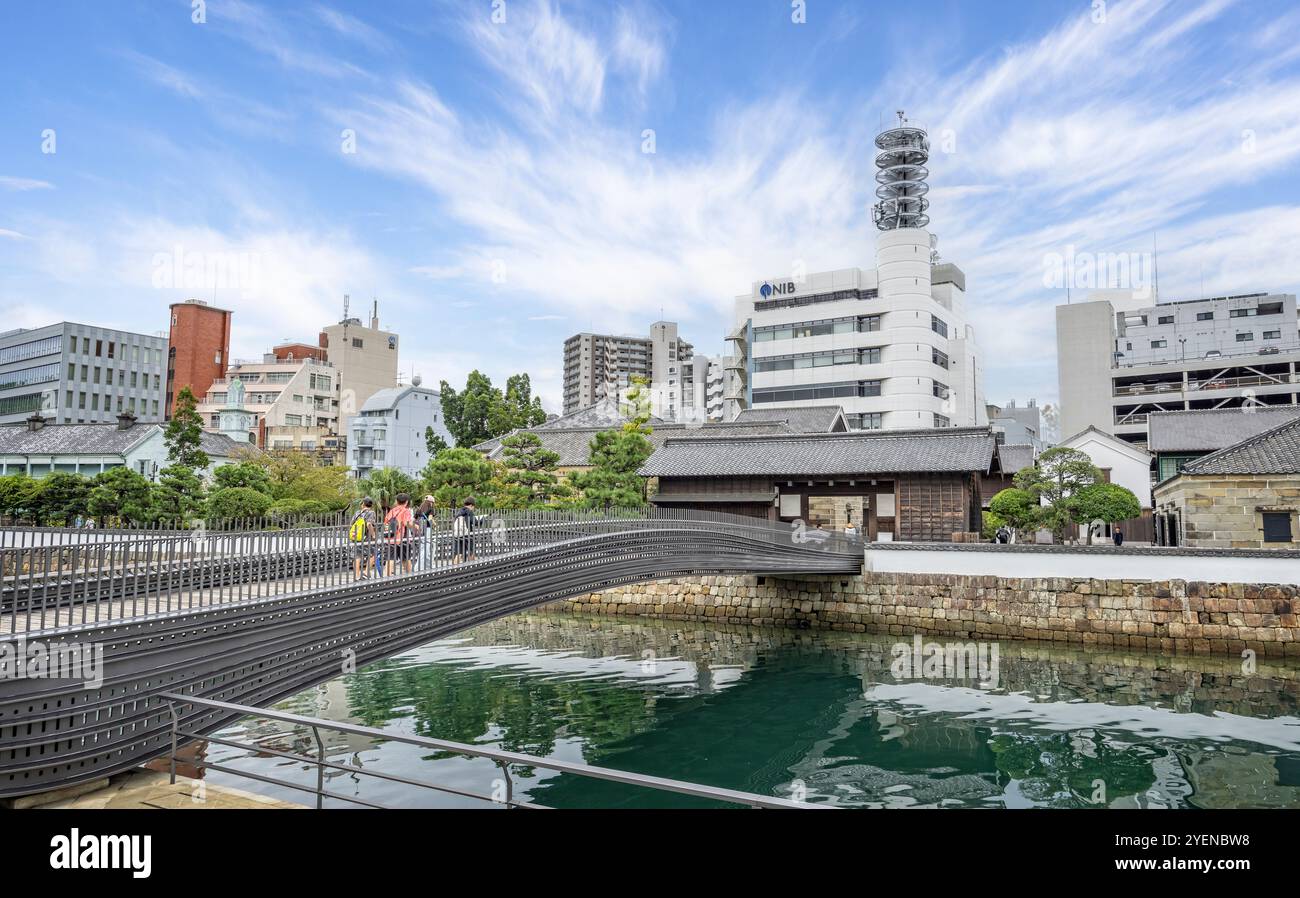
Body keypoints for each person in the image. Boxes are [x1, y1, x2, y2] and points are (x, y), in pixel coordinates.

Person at [383, 493, 418, 576]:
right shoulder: (406, 510)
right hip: (402, 538)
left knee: (390, 559)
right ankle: (409, 576)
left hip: (390, 538)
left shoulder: (392, 511)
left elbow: (386, 522)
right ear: (406, 502)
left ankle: (387, 578)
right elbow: (406, 523)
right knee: (406, 558)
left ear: (397, 501)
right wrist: (416, 526)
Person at [349, 498, 379, 580]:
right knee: (373, 553)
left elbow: (351, 524)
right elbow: (369, 524)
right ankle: (366, 572)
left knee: (357, 555)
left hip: (356, 536)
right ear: (371, 505)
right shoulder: (371, 512)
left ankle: (356, 575)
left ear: (362, 504)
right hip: (366, 537)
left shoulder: (357, 513)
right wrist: (373, 535)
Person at [452, 498, 480, 564]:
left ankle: (454, 569)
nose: (473, 508)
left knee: (458, 553)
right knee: (471, 552)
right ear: (471, 505)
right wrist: (481, 520)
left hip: (458, 535)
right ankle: (472, 568)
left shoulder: (459, 512)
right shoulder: (469, 511)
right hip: (467, 535)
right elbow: (475, 522)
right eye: (473, 507)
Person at [414, 495, 436, 569]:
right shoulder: (431, 509)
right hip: (427, 529)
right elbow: (430, 519)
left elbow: (414, 520)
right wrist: (434, 524)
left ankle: (428, 565)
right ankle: (418, 567)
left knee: (423, 547)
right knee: (426, 548)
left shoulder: (419, 509)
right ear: (431, 502)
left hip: (419, 529)